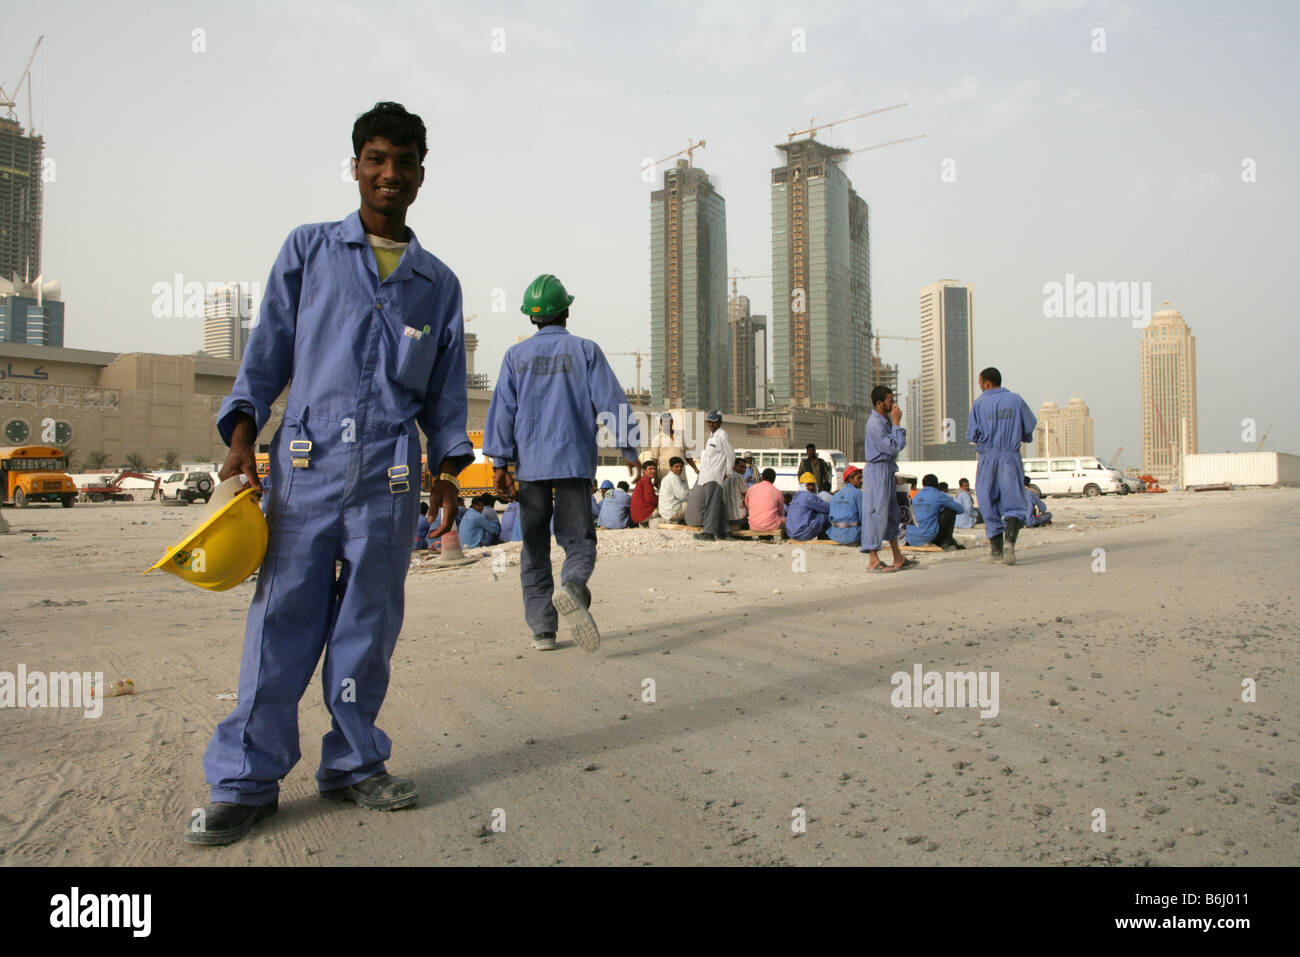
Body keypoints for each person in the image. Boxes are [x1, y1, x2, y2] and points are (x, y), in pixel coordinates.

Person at [189, 102, 474, 847]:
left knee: (368, 628)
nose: (389, 174)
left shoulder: (437, 284)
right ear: (355, 166)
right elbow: (266, 356)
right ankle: (246, 781)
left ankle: (352, 763)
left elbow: (445, 397)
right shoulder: (308, 251)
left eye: (404, 162)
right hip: (306, 467)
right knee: (280, 620)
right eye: (375, 158)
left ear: (420, 174)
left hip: (389, 480)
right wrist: (242, 440)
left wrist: (446, 471)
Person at [484, 273, 639, 652]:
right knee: (579, 541)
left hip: (530, 469)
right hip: (572, 464)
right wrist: (630, 449)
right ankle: (571, 585)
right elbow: (611, 401)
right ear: (566, 311)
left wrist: (500, 463)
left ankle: (542, 631)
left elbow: (502, 412)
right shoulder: (585, 350)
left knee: (534, 547)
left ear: (531, 318)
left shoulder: (514, 357)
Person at [967, 367, 1036, 565]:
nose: (979, 386)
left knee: (988, 502)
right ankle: (1010, 544)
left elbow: (972, 435)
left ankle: (995, 551)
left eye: (980, 383)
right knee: (1014, 502)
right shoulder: (1016, 400)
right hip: (1010, 457)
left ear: (987, 383)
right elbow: (1028, 428)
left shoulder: (979, 404)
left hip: (987, 458)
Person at [862, 385, 911, 572]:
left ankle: (897, 557)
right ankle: (873, 560)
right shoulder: (875, 424)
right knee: (875, 513)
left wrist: (895, 423)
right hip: (877, 472)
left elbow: (898, 444)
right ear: (879, 403)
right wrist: (897, 423)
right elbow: (892, 447)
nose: (893, 403)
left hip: (887, 470)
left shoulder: (886, 421)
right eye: (890, 400)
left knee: (891, 514)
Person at [692, 410, 735, 541]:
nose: (711, 424)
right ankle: (726, 532)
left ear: (720, 422)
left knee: (711, 503)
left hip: (715, 475)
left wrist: (728, 472)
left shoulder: (722, 436)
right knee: (718, 504)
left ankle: (709, 533)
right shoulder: (712, 436)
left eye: (714, 422)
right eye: (709, 422)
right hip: (709, 475)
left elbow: (731, 455)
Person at [907, 473, 967, 550]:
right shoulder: (939, 495)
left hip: (912, 536)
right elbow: (960, 509)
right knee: (950, 511)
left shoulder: (916, 496)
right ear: (936, 485)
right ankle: (947, 540)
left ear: (923, 484)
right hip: (929, 535)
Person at [644, 412, 698, 483]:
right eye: (665, 421)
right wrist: (655, 477)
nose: (668, 423)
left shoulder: (681, 435)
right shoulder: (657, 439)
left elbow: (687, 455)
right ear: (661, 422)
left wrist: (695, 469)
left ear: (672, 422)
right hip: (665, 476)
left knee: (684, 493)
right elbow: (654, 460)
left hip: (681, 475)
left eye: (670, 421)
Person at [786, 471, 831, 540]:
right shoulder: (808, 496)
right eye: (808, 485)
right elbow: (827, 508)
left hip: (791, 533)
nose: (811, 487)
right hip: (802, 533)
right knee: (825, 515)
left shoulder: (796, 496)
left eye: (813, 485)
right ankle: (825, 537)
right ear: (803, 486)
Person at [828, 466, 863, 545]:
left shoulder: (836, 494)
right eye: (859, 478)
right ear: (850, 479)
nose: (861, 481)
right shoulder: (858, 494)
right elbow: (863, 517)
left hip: (835, 535)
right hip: (851, 536)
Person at [744, 468, 786, 534]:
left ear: (762, 477)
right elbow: (780, 512)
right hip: (771, 526)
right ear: (774, 479)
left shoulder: (752, 488)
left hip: (753, 525)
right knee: (785, 519)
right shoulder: (777, 492)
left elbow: (747, 505)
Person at [657, 456, 690, 523]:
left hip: (666, 512)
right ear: (671, 467)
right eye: (676, 466)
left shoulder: (670, 477)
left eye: (681, 467)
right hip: (671, 512)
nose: (679, 469)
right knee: (694, 503)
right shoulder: (673, 478)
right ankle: (695, 522)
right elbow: (683, 496)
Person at [630, 460, 659, 525]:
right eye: (650, 469)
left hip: (637, 516)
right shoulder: (646, 480)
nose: (653, 471)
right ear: (644, 470)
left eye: (654, 469)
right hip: (642, 515)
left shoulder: (642, 480)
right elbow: (649, 499)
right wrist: (660, 498)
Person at [724, 458, 749, 529]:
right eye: (741, 466)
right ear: (734, 466)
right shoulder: (739, 477)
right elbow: (747, 495)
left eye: (745, 468)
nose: (743, 469)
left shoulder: (726, 475)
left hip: (725, 516)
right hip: (738, 517)